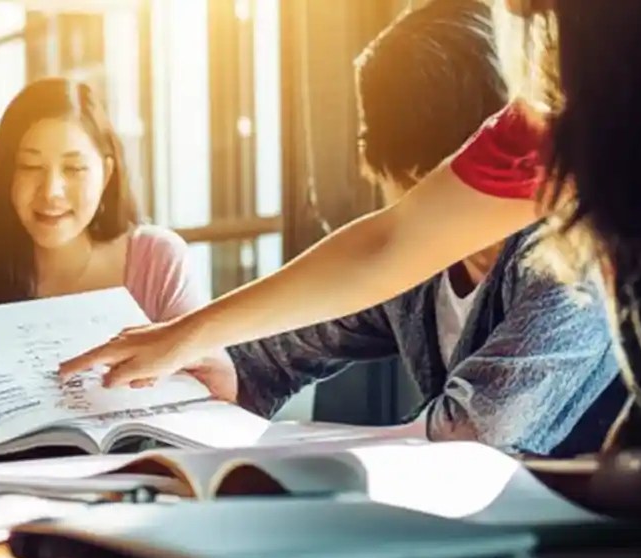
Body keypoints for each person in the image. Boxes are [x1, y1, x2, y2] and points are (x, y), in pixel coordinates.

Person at [61, 0, 554, 390]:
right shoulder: (531, 127)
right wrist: (193, 345)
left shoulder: (559, 256)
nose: (512, 9)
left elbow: (482, 430)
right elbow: (384, 245)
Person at [226, 0, 621, 456]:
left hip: (599, 522)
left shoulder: (570, 255)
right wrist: (216, 367)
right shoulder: (415, 271)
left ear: (417, 174)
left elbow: (476, 434)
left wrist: (294, 450)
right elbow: (276, 349)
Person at [0, 77, 203, 323]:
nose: (51, 191)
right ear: (7, 173)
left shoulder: (156, 260)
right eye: (30, 167)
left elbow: (212, 377)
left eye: (74, 169)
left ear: (105, 173)